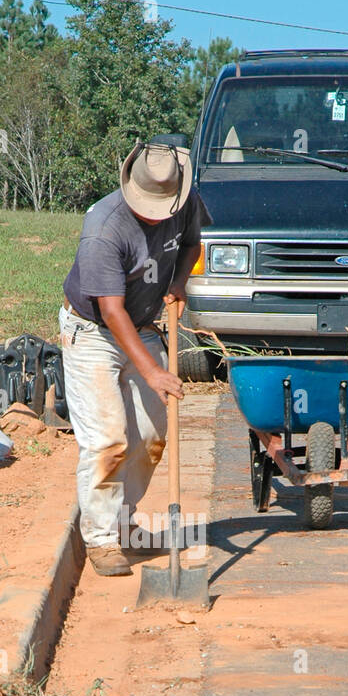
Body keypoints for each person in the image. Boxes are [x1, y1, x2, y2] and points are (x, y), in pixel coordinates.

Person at [60, 140, 211, 577]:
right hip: (92, 332)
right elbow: (110, 310)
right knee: (108, 440)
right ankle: (102, 539)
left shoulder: (185, 201)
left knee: (149, 437)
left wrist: (179, 282)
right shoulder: (104, 229)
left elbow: (191, 245)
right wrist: (154, 372)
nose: (159, 215)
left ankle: (123, 523)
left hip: (144, 326)